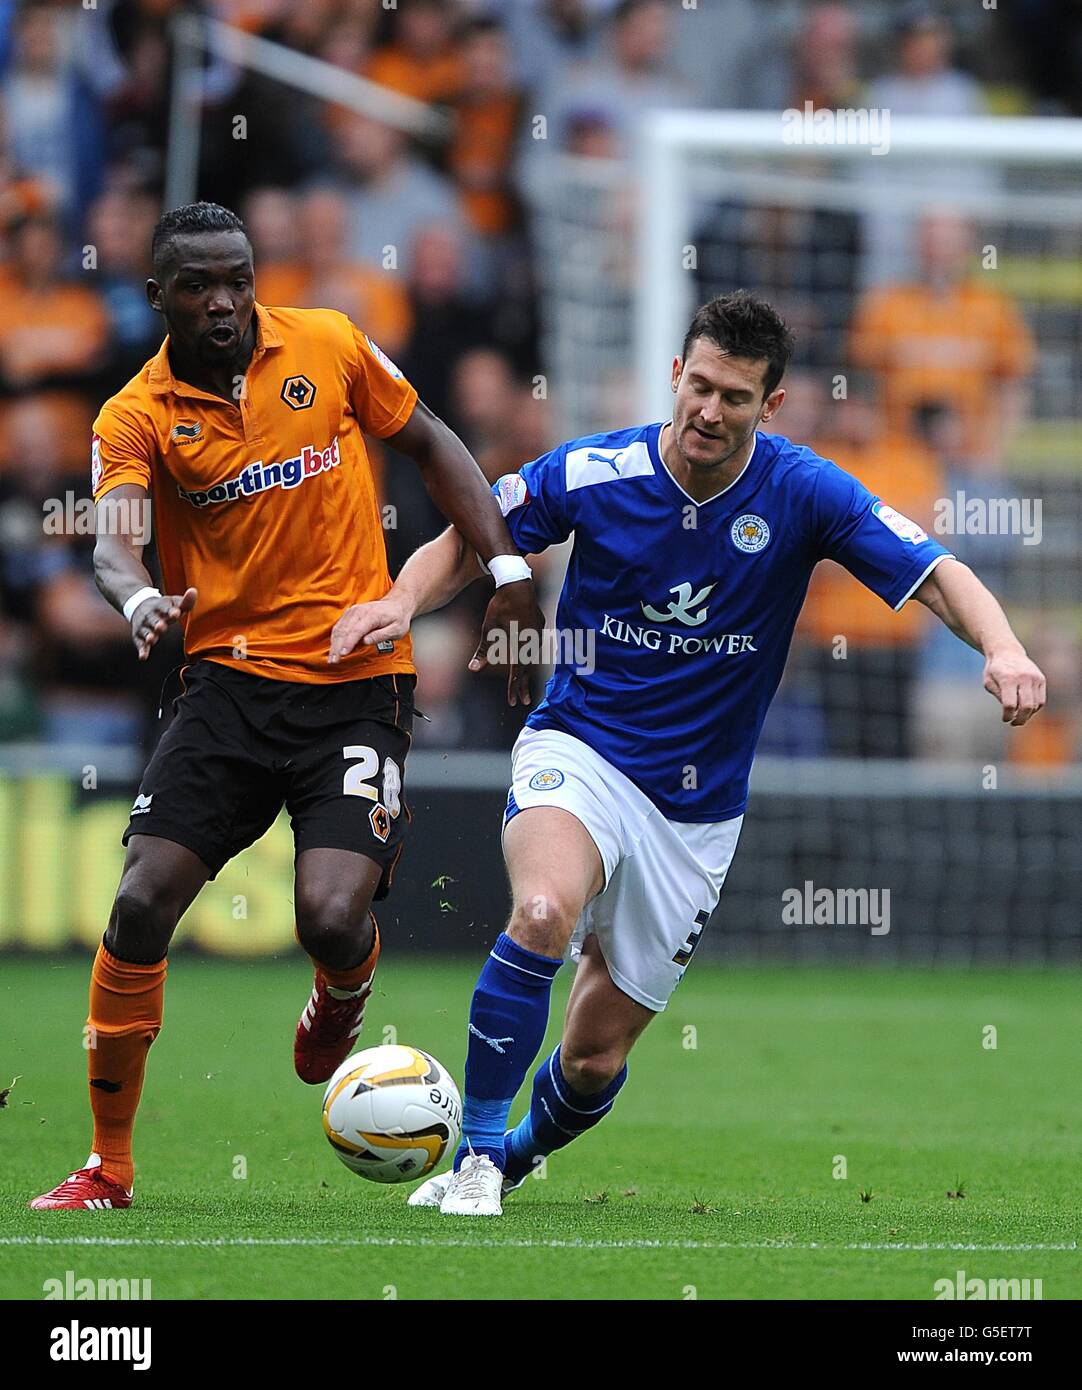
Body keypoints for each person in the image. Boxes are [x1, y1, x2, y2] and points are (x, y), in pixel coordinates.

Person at [330, 290, 1047, 1216]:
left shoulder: (804, 491)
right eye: (699, 386)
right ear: (676, 375)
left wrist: (1004, 646)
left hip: (695, 813)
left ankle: (507, 1159)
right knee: (543, 911)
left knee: (593, 1060)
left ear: (770, 406)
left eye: (736, 398)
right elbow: (473, 536)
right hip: (580, 749)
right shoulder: (597, 470)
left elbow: (937, 571)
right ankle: (472, 1163)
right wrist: (398, 603)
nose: (710, 411)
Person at [29, 200, 544, 1212]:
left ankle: (342, 988)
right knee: (138, 903)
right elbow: (111, 536)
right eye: (197, 287)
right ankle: (109, 1166)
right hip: (223, 685)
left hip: (357, 679)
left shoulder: (329, 343)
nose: (223, 303)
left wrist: (509, 568)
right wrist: (136, 596)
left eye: (236, 279)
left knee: (329, 911)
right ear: (158, 299)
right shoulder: (134, 413)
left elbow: (435, 443)